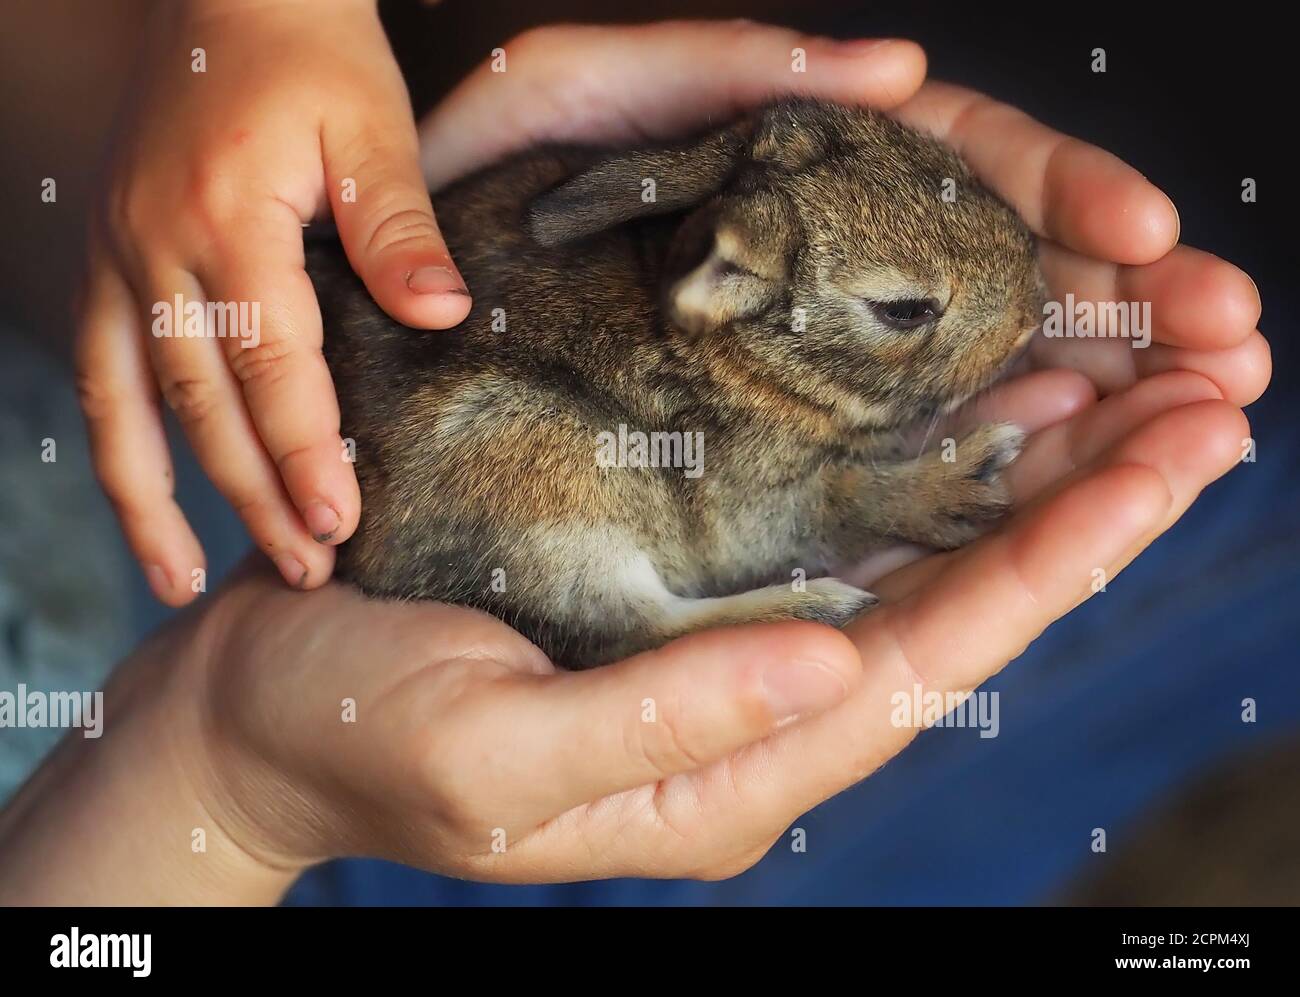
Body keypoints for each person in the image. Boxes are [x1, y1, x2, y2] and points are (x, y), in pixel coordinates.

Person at [0, 7, 1269, 903]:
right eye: (903, 310)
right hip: (323, 756)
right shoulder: (733, 384)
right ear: (731, 292)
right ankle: (654, 623)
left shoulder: (673, 216)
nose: (1022, 312)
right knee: (1242, 509)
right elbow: (752, 510)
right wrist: (227, 777)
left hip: (191, 461)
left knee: (1218, 462)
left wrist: (250, 48)